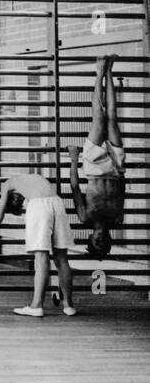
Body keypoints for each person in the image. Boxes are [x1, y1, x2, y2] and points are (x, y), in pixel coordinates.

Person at [0, 174, 76, 318]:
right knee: (61, 258)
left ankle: (36, 305)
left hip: (39, 206)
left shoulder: (7, 184)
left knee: (41, 257)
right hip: (57, 203)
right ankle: (69, 305)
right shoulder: (32, 178)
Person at [68, 55, 125, 259]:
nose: (100, 242)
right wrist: (121, 169)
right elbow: (122, 191)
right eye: (103, 246)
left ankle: (99, 72)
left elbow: (75, 187)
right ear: (109, 241)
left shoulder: (85, 217)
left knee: (99, 118)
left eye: (96, 245)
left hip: (92, 169)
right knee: (112, 117)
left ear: (90, 239)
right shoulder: (117, 218)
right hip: (115, 169)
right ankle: (109, 72)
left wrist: (74, 160)